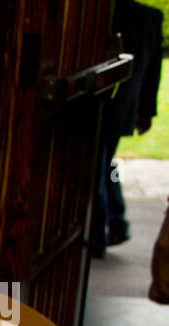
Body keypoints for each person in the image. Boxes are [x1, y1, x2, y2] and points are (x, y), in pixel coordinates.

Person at [93, 0, 162, 257]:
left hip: (102, 104)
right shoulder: (149, 18)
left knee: (97, 169)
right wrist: (145, 111)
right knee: (106, 164)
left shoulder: (105, 15)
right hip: (125, 107)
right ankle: (117, 220)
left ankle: (97, 233)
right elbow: (152, 72)